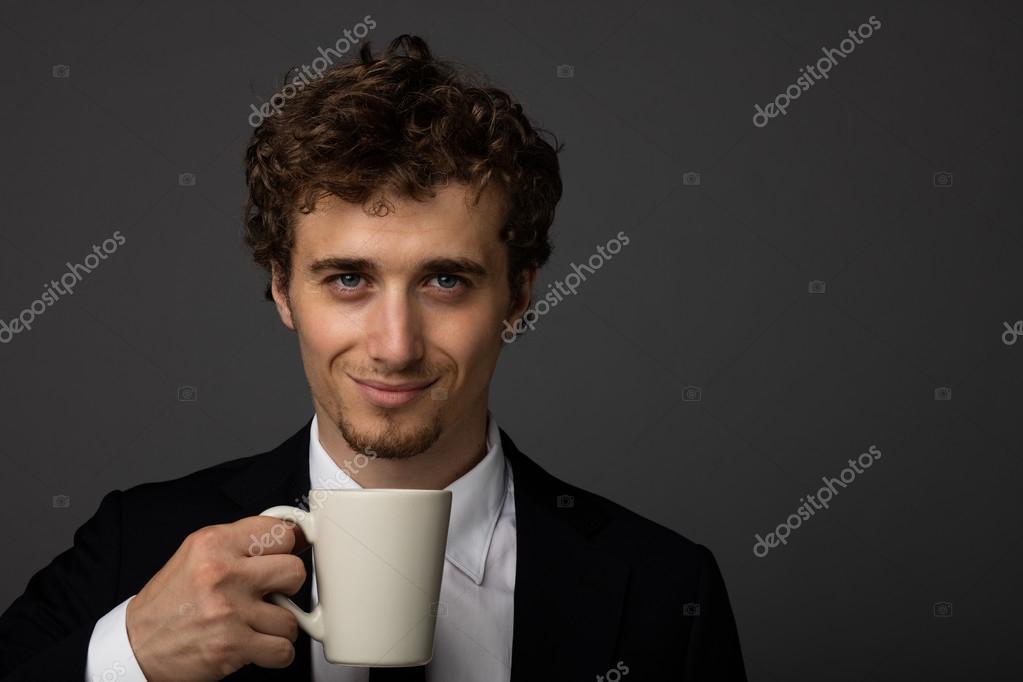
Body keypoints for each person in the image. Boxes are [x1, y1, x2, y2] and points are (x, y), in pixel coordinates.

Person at [0, 34, 747, 681]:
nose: (395, 346)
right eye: (348, 279)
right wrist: (127, 655)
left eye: (446, 280)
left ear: (518, 296)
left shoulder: (662, 588)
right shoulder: (139, 543)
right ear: (283, 290)